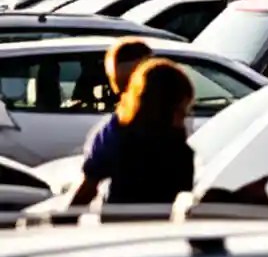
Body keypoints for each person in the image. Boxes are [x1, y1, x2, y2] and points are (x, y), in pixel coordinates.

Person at [69, 38, 155, 206]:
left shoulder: (114, 130)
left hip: (121, 223)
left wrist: (62, 222)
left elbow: (89, 187)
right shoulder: (176, 124)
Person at [101, 58, 195, 205]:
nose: (185, 117)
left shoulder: (118, 140)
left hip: (116, 224)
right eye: (183, 110)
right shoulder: (180, 154)